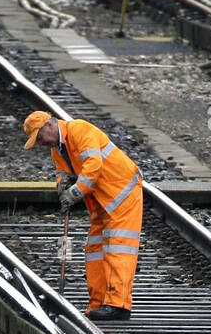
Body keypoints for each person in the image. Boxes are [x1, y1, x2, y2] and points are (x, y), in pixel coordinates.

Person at [23, 109, 142, 321]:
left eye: (40, 138)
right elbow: (62, 173)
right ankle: (98, 303)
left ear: (50, 125)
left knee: (118, 247)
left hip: (122, 194)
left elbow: (93, 166)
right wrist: (63, 187)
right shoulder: (58, 149)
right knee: (94, 248)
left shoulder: (79, 129)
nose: (40, 143)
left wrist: (75, 192)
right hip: (100, 201)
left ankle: (119, 305)